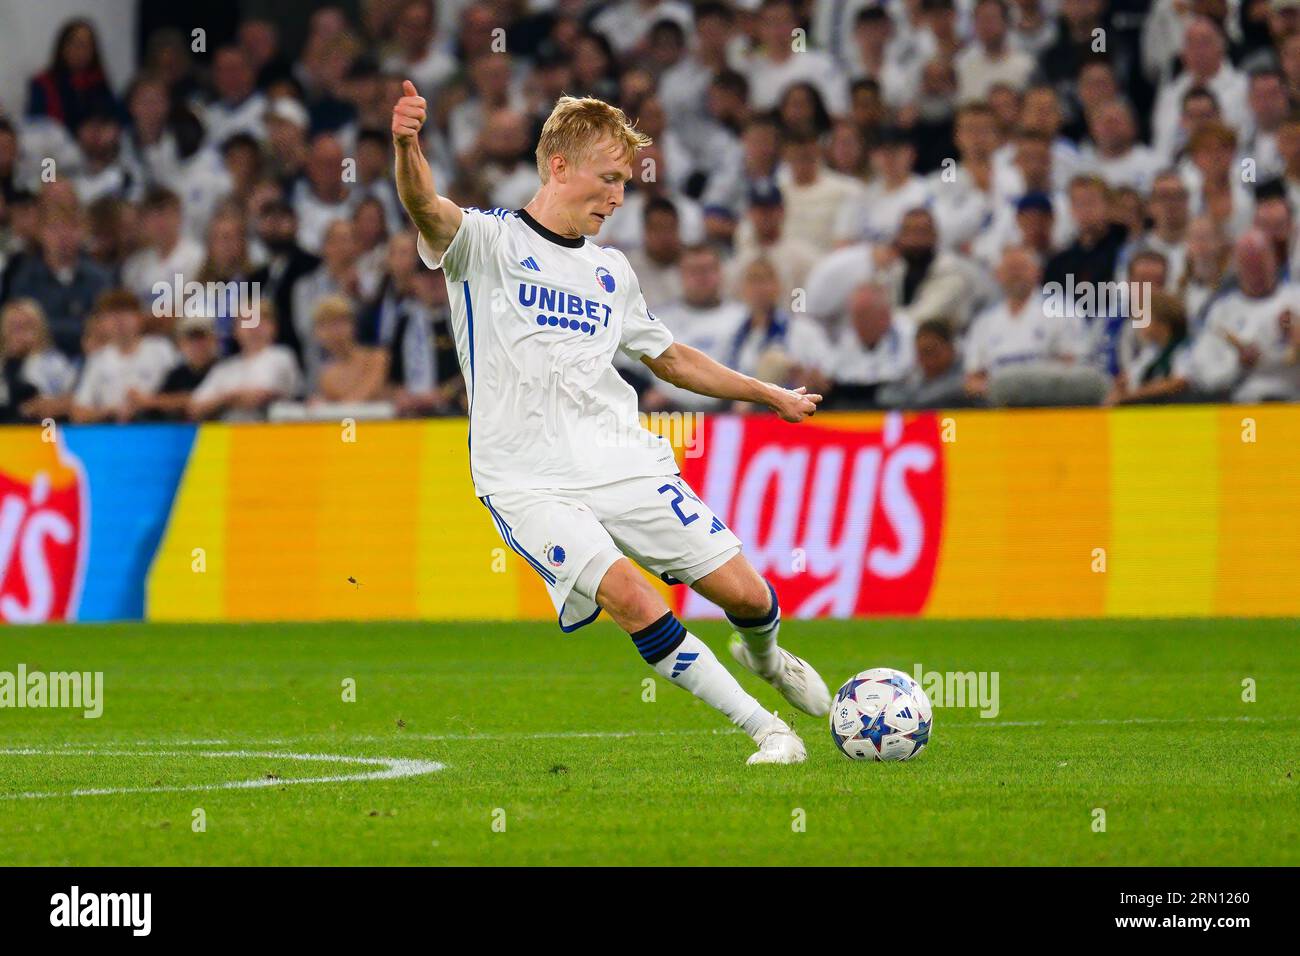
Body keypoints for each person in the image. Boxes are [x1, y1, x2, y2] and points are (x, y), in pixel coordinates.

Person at [393, 81, 829, 765]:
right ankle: (767, 728)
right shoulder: (487, 242)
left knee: (745, 593)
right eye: (609, 178)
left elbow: (671, 357)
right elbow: (423, 204)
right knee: (630, 596)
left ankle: (768, 659)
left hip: (619, 459)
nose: (619, 196)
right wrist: (405, 144)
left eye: (625, 181)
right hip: (526, 479)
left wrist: (765, 393)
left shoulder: (610, 272)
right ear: (560, 165)